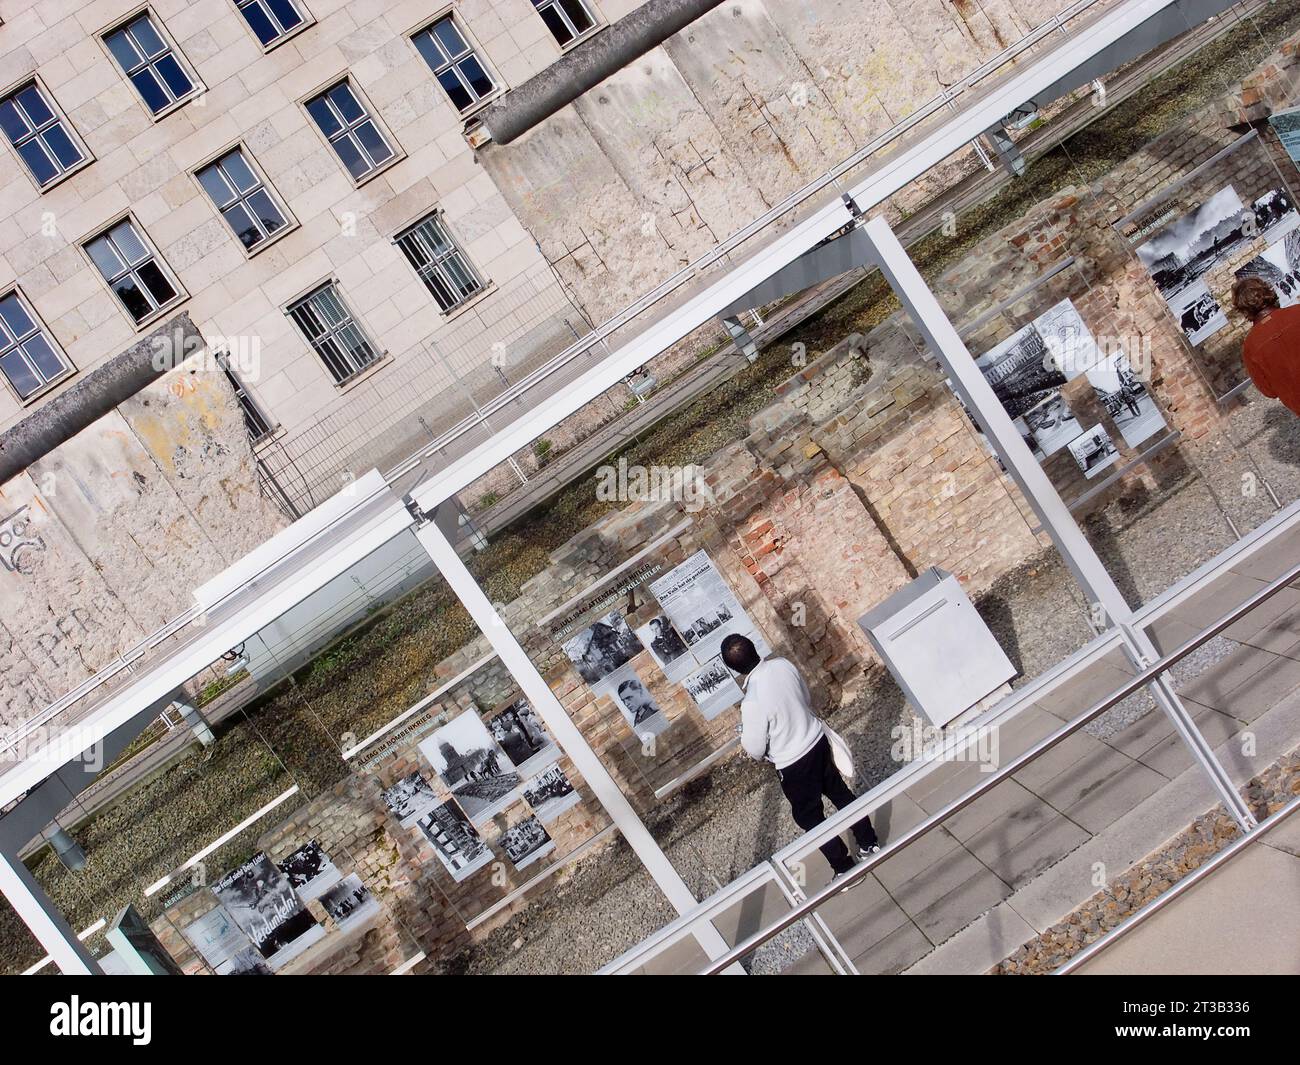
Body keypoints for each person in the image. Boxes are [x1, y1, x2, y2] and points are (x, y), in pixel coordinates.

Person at [722, 633, 878, 879]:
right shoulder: (783, 665)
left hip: (793, 763)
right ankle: (869, 842)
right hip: (816, 740)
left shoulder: (751, 702)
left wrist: (748, 735)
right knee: (839, 793)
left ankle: (844, 867)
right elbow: (804, 697)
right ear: (753, 647)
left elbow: (755, 749)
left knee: (810, 817)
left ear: (733, 669)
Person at [1232, 276, 1300, 416]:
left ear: (1243, 309)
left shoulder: (1250, 347)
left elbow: (1269, 391)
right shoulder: (1297, 312)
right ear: (1269, 292)